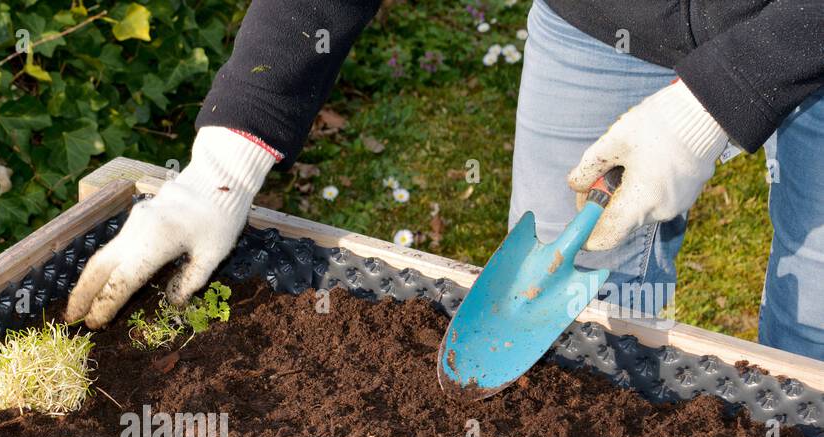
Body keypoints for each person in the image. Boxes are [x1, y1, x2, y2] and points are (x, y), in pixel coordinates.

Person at [66, 0, 824, 360]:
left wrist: (715, 104)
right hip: (607, 21)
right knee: (575, 327)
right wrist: (224, 168)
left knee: (812, 334)